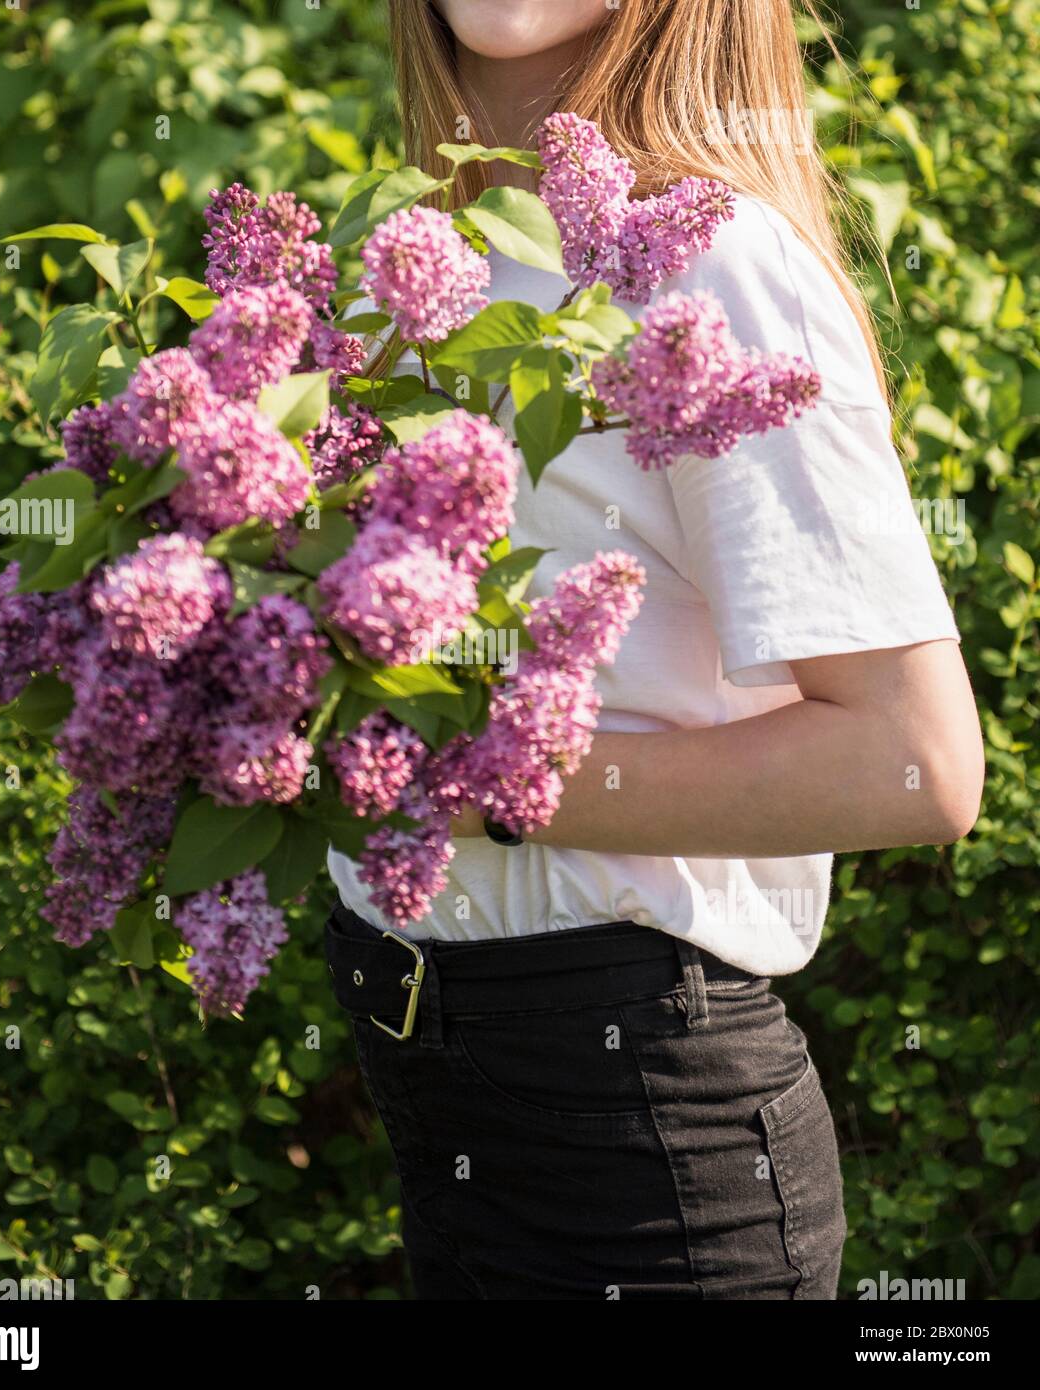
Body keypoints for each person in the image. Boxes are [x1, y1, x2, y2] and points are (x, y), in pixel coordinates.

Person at [324, 0, 985, 1300]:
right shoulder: (404, 262)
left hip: (641, 1150)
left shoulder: (711, 267)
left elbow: (915, 759)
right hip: (440, 1096)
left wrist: (497, 790)